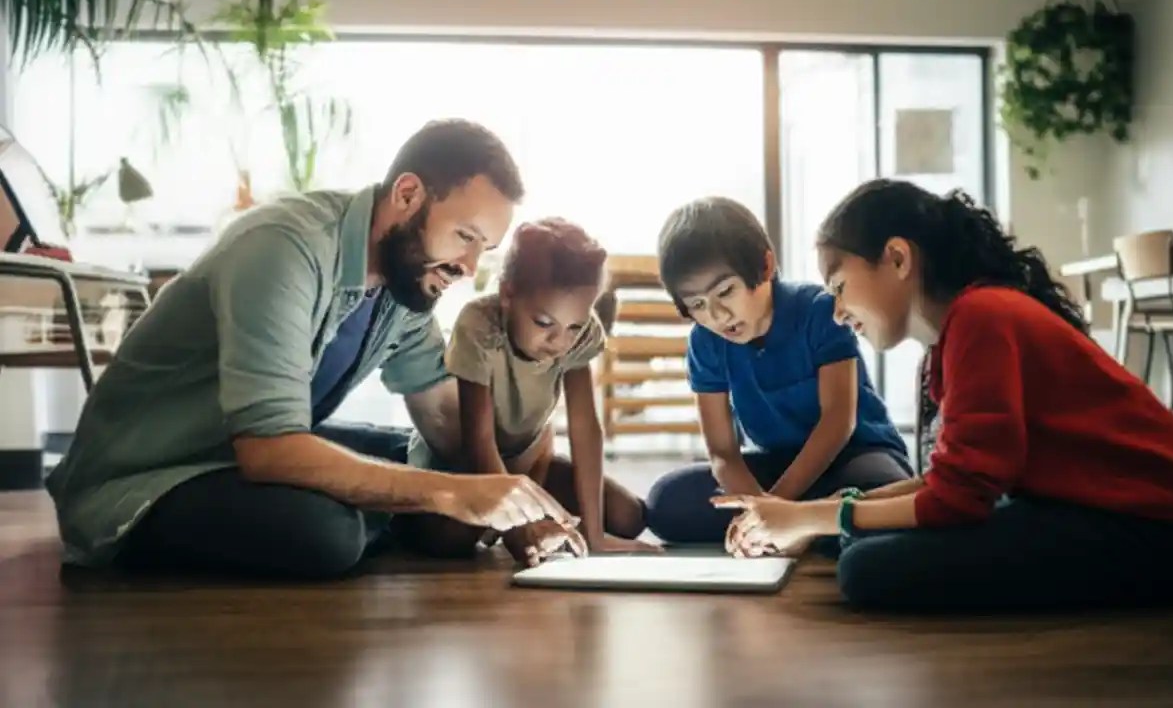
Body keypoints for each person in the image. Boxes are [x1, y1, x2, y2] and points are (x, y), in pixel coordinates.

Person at [46, 119, 583, 579]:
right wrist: (452, 494)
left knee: (417, 459)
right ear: (407, 195)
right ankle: (389, 520)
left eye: (484, 249)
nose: (469, 268)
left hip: (243, 453)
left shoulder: (406, 283)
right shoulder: (283, 249)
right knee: (327, 534)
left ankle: (397, 516)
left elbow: (445, 420)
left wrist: (525, 476)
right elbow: (269, 447)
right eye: (465, 236)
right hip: (153, 473)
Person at [714, 179, 1173, 611]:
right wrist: (820, 513)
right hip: (1104, 515)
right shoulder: (956, 335)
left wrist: (813, 516)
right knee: (852, 542)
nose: (836, 312)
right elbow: (951, 479)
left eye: (839, 287)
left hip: (1160, 531)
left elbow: (956, 499)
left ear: (897, 258)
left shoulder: (982, 317)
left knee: (866, 568)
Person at [644, 197, 909, 553]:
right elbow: (723, 452)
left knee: (879, 495)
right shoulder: (705, 342)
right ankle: (809, 532)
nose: (717, 315)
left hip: (854, 454)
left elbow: (837, 422)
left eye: (726, 291)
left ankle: (806, 527)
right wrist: (755, 508)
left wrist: (779, 509)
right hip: (778, 464)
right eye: (697, 305)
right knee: (667, 502)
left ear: (765, 265)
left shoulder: (818, 310)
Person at [407, 218, 657, 565]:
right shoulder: (479, 325)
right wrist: (518, 527)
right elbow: (479, 442)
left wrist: (596, 535)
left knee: (627, 517)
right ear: (507, 294)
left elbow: (585, 429)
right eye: (544, 323)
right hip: (465, 466)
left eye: (574, 326)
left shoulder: (580, 337)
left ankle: (541, 521)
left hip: (531, 467)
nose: (559, 341)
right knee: (449, 542)